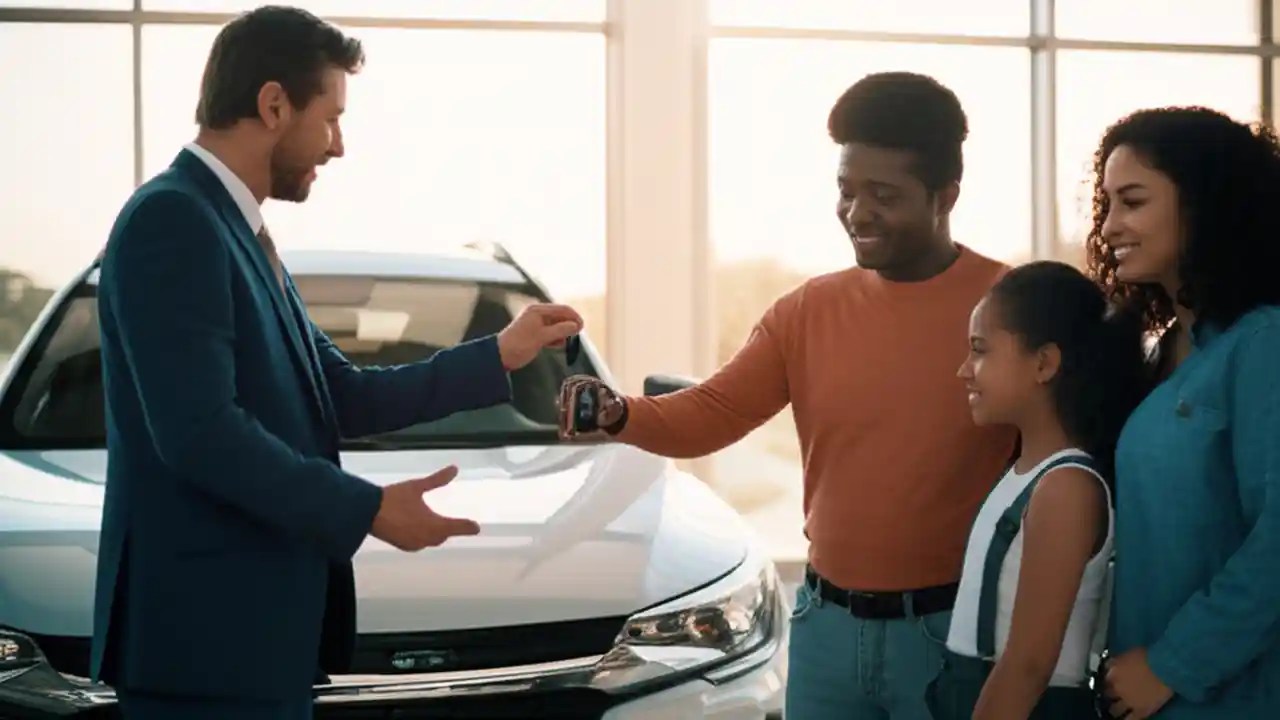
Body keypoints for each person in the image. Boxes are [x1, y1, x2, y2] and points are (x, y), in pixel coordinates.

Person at [91, 7, 582, 719]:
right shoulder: (173, 222)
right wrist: (370, 510)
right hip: (202, 647)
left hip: (247, 644)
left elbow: (340, 394)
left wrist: (501, 353)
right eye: (330, 118)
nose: (339, 146)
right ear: (272, 104)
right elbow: (201, 434)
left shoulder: (236, 229)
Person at [559, 71, 1018, 719]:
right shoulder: (807, 310)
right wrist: (622, 415)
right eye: (846, 190)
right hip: (825, 628)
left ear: (946, 195)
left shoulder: (1009, 307)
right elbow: (714, 413)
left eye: (884, 195)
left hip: (951, 631)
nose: (857, 213)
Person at [1085, 107, 1280, 719]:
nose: (1111, 225)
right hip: (1143, 688)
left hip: (1226, 694)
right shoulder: (1162, 346)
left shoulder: (1262, 343)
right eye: (1108, 203)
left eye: (1134, 202)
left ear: (1203, 205)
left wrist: (1174, 663)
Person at [927, 261, 1146, 719]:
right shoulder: (1026, 475)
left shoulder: (1065, 488)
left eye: (980, 350)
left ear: (1044, 363)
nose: (963, 370)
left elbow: (1027, 665)